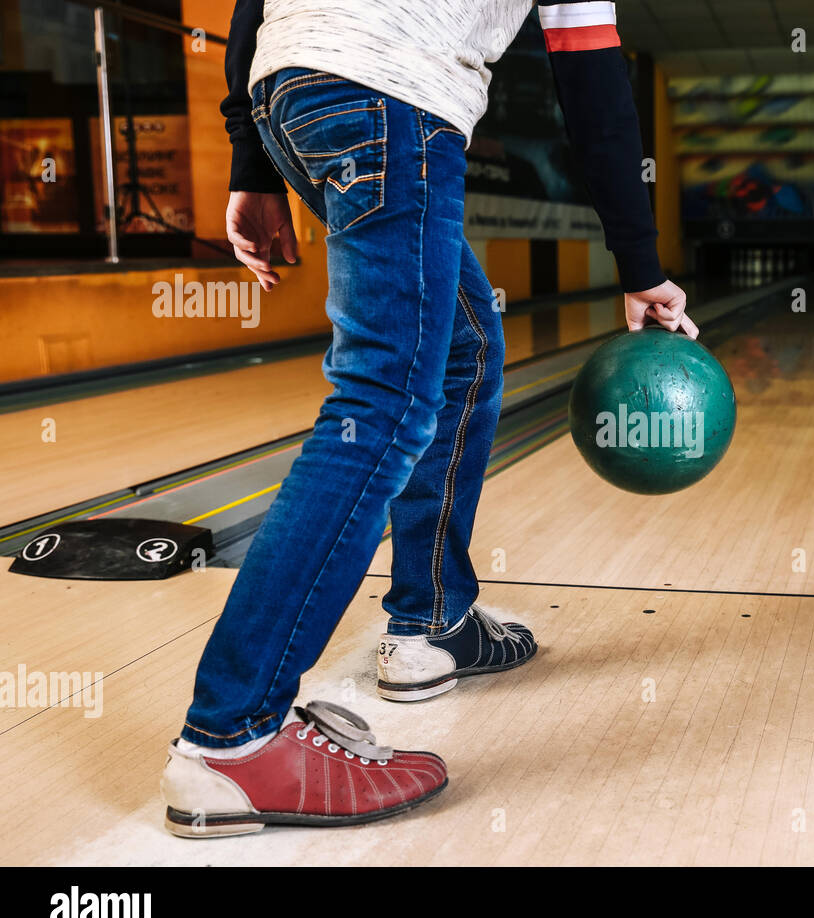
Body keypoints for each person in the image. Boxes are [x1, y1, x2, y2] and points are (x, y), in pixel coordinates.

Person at [160, 0, 698, 838]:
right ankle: (232, 737)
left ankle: (431, 619)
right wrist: (640, 262)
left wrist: (253, 159)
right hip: (390, 98)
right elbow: (590, 75)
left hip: (292, 90)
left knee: (461, 349)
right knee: (383, 402)